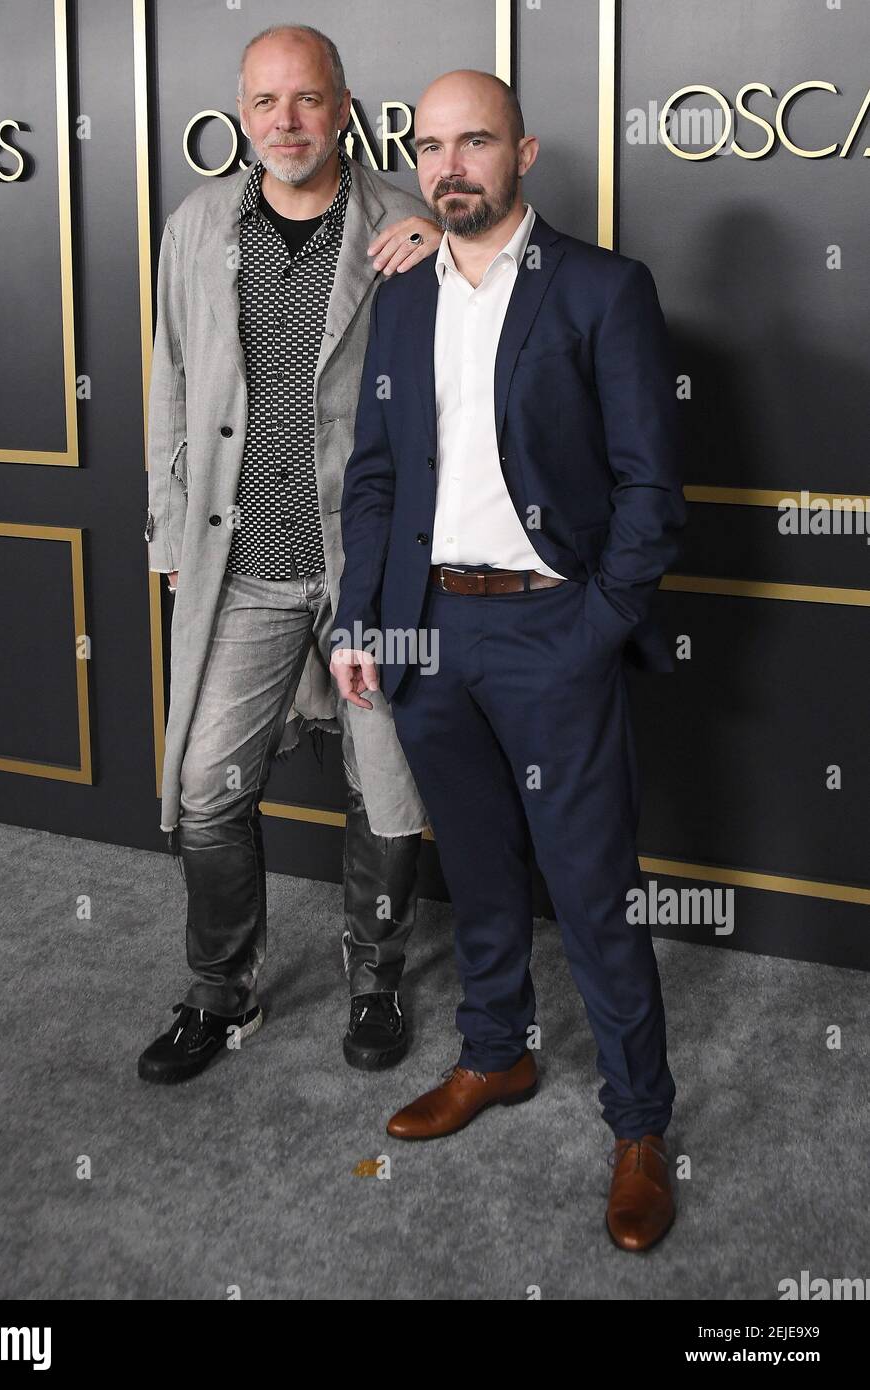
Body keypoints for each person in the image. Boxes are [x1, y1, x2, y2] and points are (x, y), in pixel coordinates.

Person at [331, 69, 686, 1252]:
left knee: (588, 890)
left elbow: (649, 485)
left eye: (473, 140)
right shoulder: (402, 296)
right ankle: (495, 1056)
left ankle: (640, 1125)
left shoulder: (600, 288)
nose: (450, 164)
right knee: (475, 870)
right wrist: (361, 622)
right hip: (429, 633)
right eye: (430, 145)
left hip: (552, 628)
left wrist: (593, 626)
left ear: (522, 152)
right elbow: (374, 475)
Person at [140, 24, 440, 1085]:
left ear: (344, 104)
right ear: (242, 112)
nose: (285, 122)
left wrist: (446, 252)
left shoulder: (403, 223)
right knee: (208, 787)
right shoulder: (195, 227)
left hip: (370, 569)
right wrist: (172, 531)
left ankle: (375, 973)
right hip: (245, 562)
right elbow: (169, 383)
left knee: (385, 785)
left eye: (306, 100)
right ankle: (222, 992)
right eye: (265, 103)